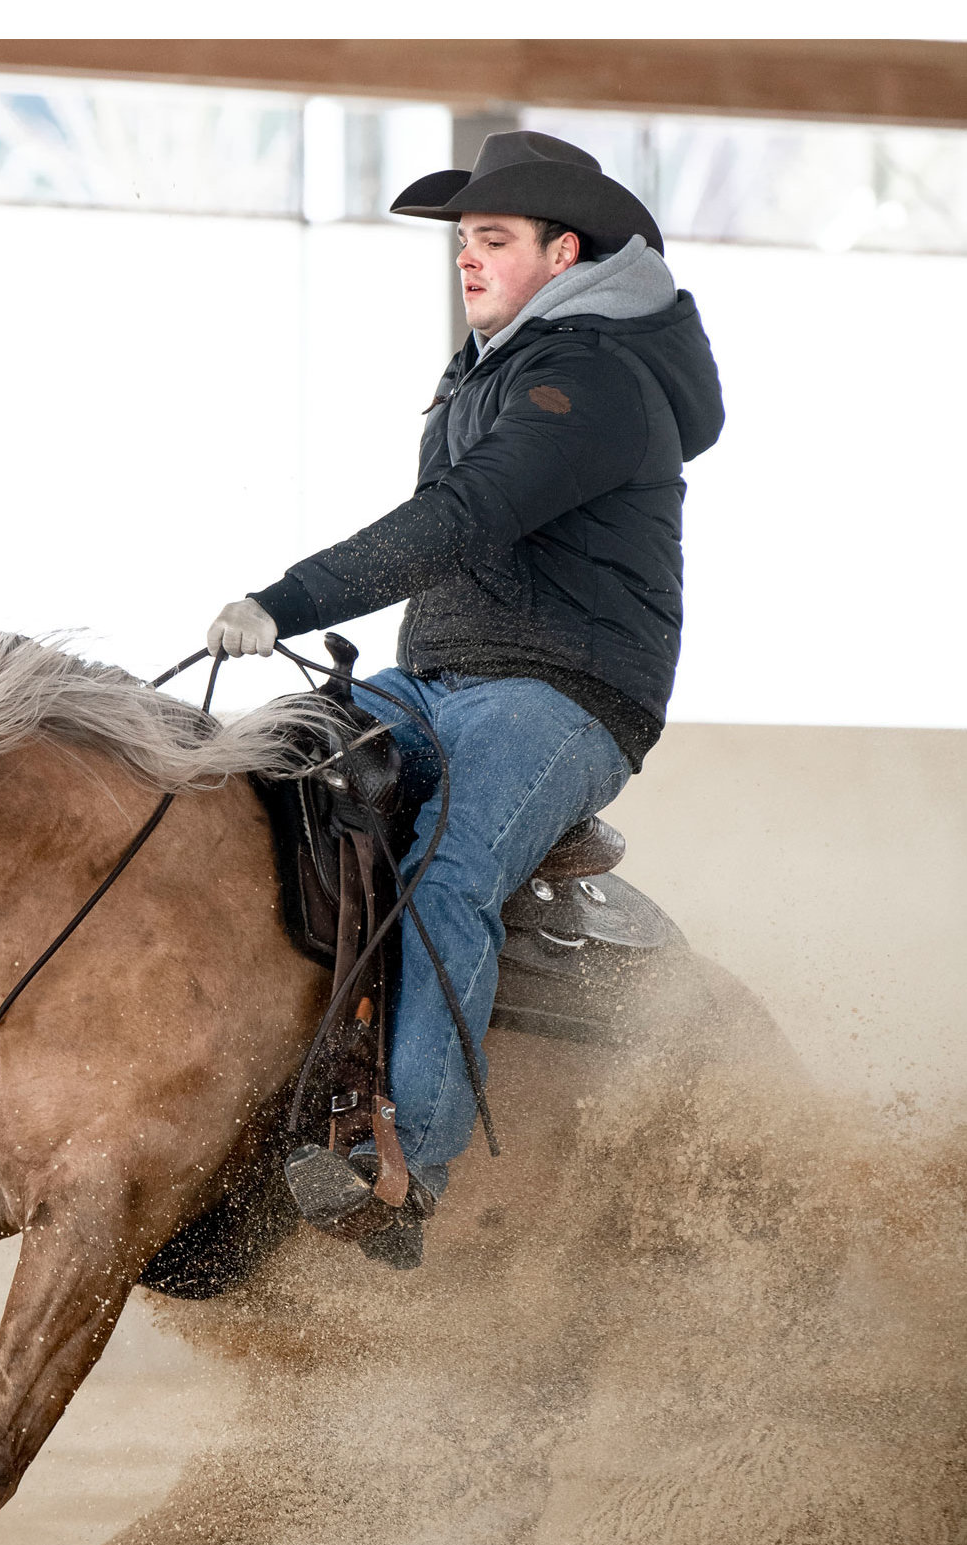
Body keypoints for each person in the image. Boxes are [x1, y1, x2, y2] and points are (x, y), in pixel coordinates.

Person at [207, 130, 724, 1237]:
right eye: (463, 241)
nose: (466, 257)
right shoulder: (490, 367)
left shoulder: (591, 378)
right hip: (434, 679)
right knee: (252, 777)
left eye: (492, 237)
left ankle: (402, 1169)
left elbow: (460, 520)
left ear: (563, 250)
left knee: (444, 876)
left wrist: (282, 602)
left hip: (563, 694)